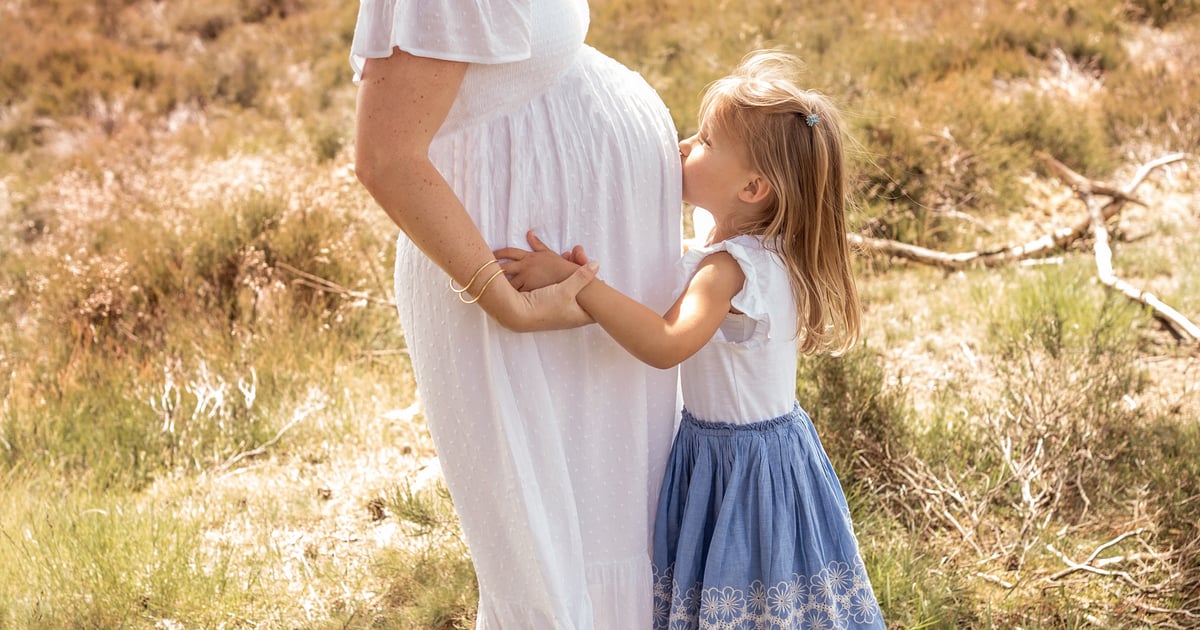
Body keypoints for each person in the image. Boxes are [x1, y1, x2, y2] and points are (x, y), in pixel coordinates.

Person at [499, 50, 887, 629]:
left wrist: (574, 282)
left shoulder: (729, 269)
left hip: (736, 462)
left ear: (754, 186)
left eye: (704, 141)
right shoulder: (767, 252)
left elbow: (665, 342)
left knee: (744, 587)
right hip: (773, 451)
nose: (683, 146)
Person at [349, 1, 681, 628]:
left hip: (574, 285)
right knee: (547, 565)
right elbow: (386, 158)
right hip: (516, 285)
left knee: (612, 531)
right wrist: (510, 305)